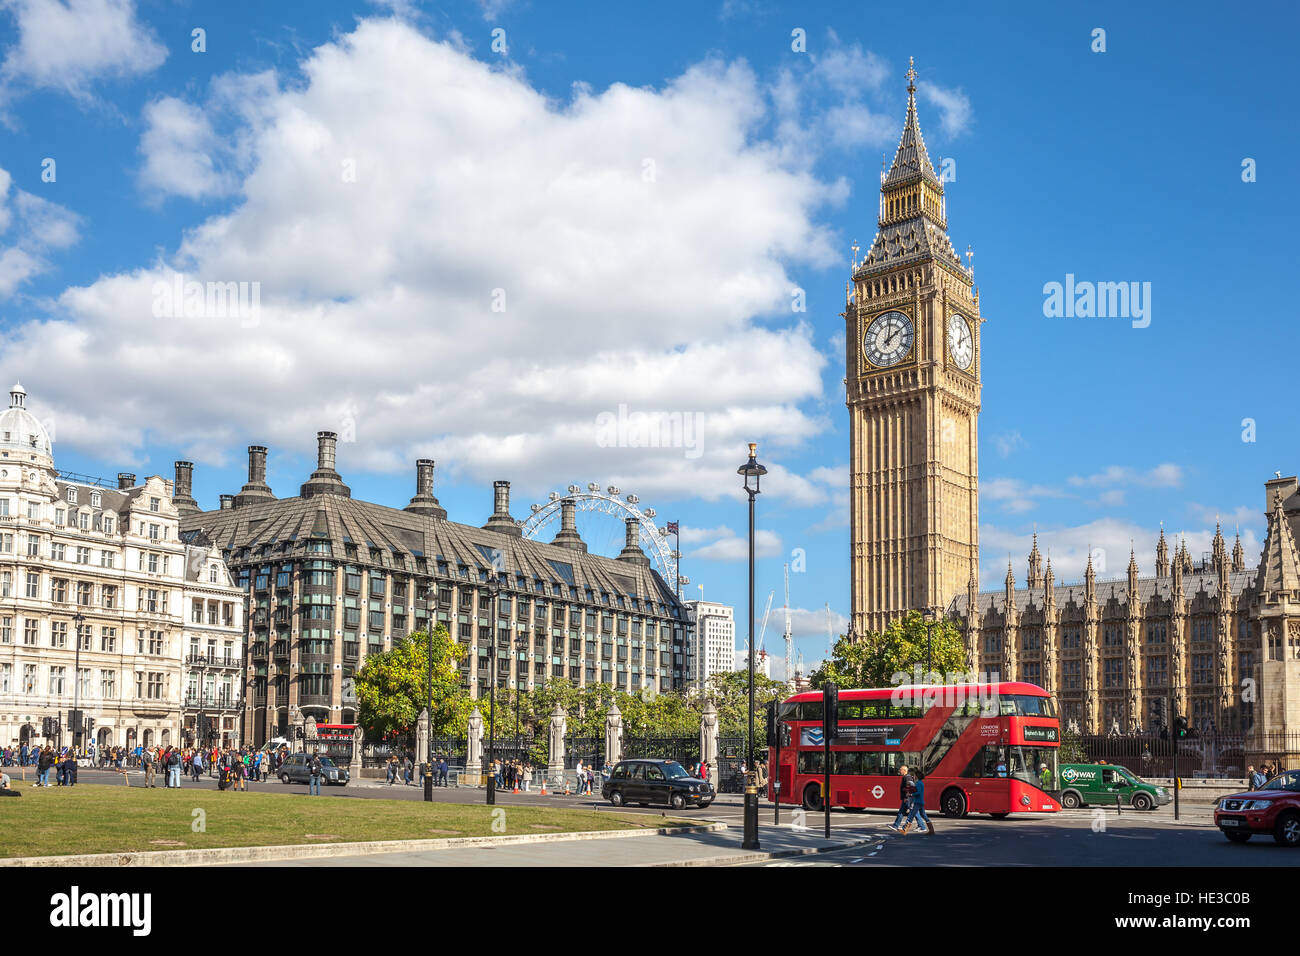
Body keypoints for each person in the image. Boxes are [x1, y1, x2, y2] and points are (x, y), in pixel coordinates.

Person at [900, 769, 935, 835]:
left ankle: (904, 830)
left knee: (911, 815)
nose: (913, 776)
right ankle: (931, 830)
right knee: (924, 816)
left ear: (917, 776)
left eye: (914, 775)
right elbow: (916, 790)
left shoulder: (918, 783)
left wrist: (910, 794)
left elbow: (918, 792)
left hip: (918, 802)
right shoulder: (920, 783)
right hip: (921, 802)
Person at [889, 765, 915, 830]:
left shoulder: (906, 778)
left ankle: (921, 826)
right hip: (907, 798)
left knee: (913, 813)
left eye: (901, 770)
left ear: (904, 771)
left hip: (908, 798)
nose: (899, 771)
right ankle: (896, 825)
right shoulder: (906, 777)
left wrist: (906, 797)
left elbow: (909, 788)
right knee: (902, 811)